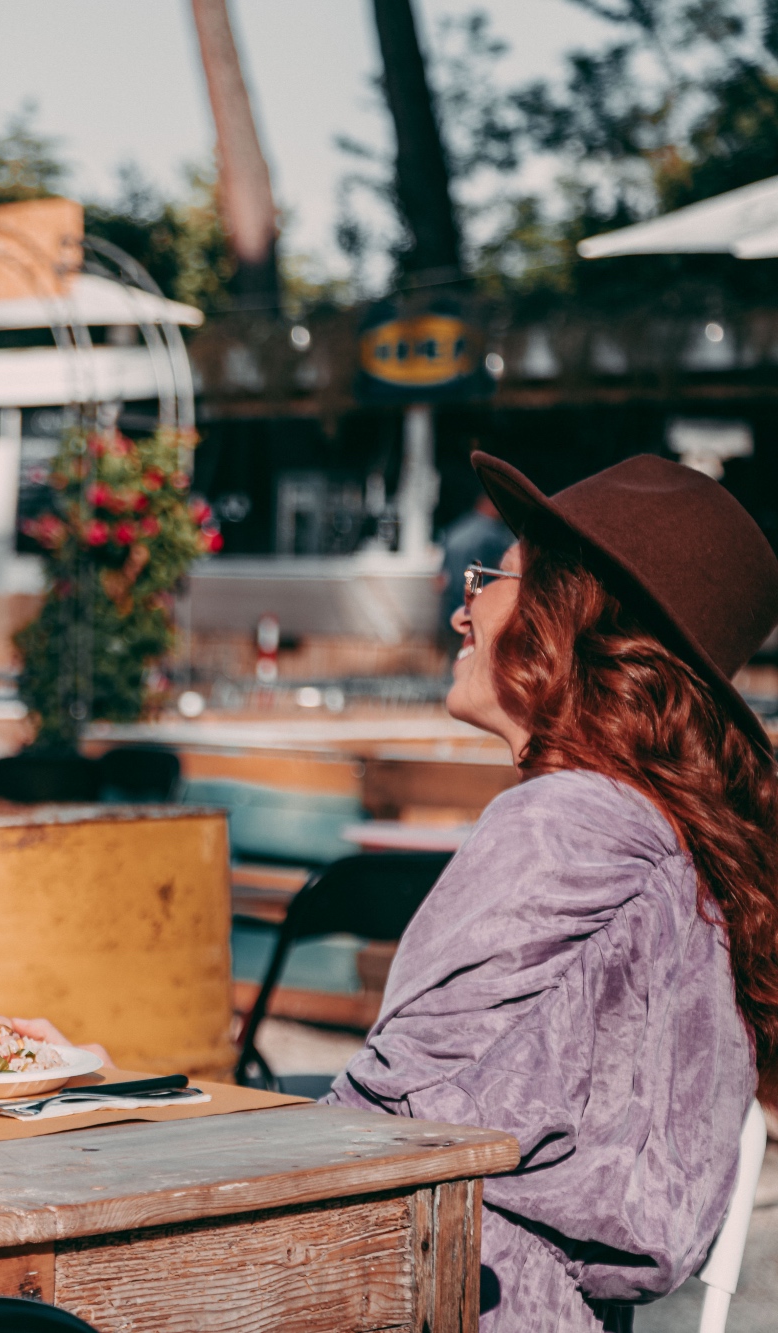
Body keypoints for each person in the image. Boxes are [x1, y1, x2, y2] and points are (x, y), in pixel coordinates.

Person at [327, 450, 778, 1331]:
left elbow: (371, 1129)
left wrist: (116, 1111)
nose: (463, 606)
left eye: (493, 576)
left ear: (565, 619)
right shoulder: (673, 842)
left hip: (448, 1295)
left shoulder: (563, 827)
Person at [435, 493, 514, 644]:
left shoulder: (455, 530)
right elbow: (505, 571)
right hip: (481, 610)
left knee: (456, 659)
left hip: (452, 610)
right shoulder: (493, 535)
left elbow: (440, 580)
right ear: (487, 504)